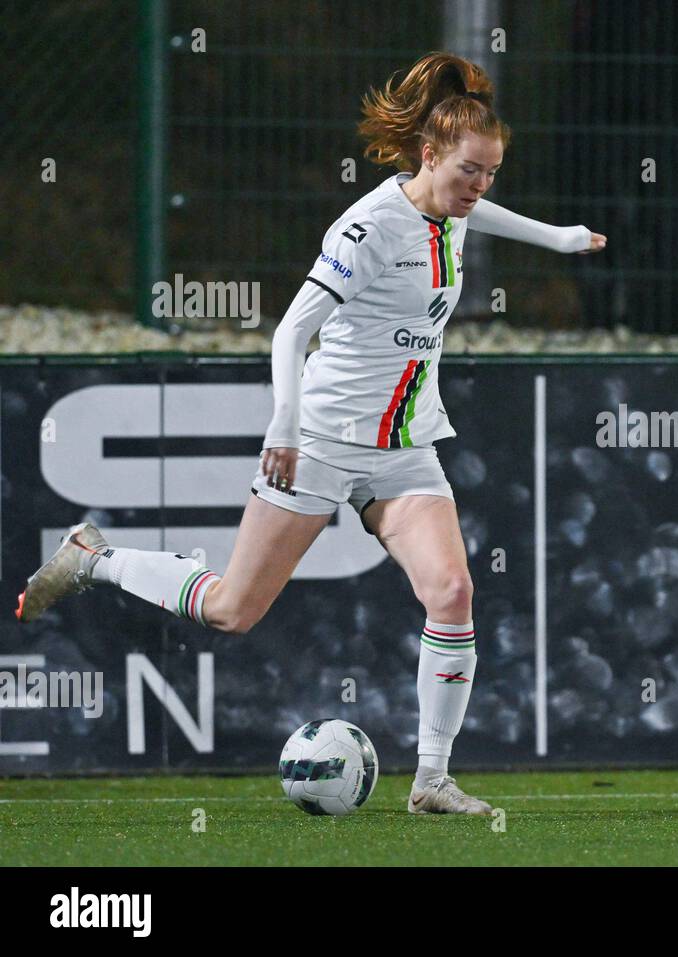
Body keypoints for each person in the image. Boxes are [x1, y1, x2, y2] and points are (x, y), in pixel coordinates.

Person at [15, 52, 606, 815]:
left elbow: (471, 212)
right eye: (470, 171)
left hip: (404, 444)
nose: (481, 188)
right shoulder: (369, 227)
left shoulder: (449, 208)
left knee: (452, 591)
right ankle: (95, 558)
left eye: (492, 173)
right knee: (232, 608)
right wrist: (285, 425)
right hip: (322, 437)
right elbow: (292, 331)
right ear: (428, 156)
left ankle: (430, 780)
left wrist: (557, 238)